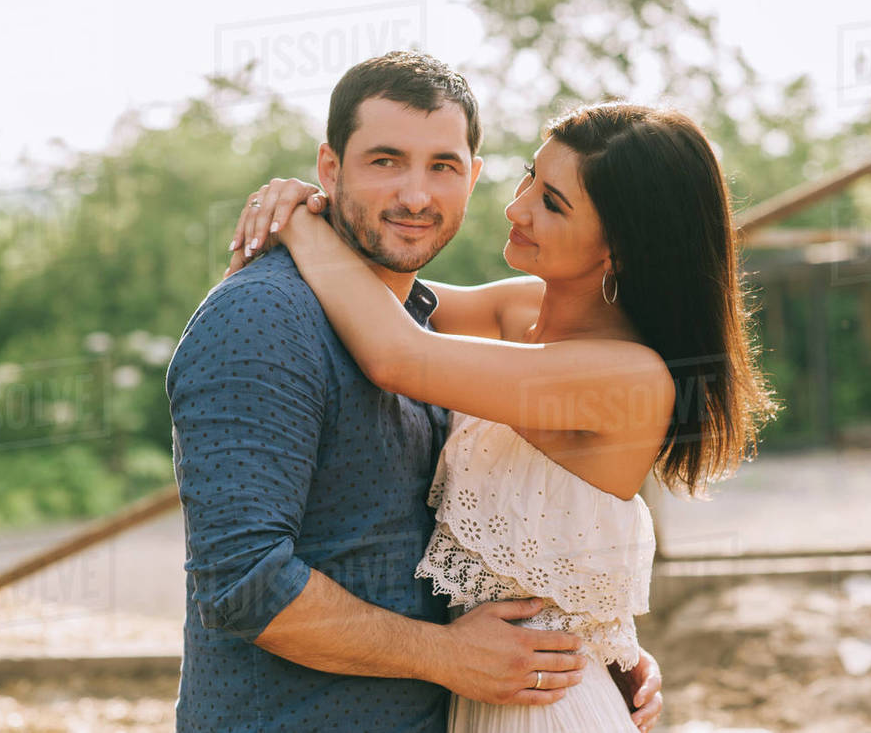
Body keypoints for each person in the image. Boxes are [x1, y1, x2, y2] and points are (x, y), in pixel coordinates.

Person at [227, 97, 779, 731]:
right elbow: (385, 294)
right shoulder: (518, 311)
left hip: (546, 708)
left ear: (621, 248)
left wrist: (299, 224)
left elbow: (396, 354)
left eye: (553, 204)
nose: (517, 208)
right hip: (492, 684)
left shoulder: (625, 376)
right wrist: (313, 201)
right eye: (530, 178)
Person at [167, 50, 664, 732]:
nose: (415, 196)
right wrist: (447, 654)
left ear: (471, 176)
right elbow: (243, 585)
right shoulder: (265, 318)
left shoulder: (426, 333)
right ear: (329, 169)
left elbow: (401, 356)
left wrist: (597, 642)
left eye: (443, 167)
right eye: (385, 161)